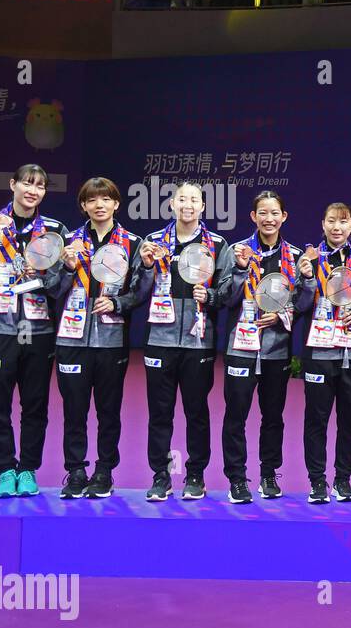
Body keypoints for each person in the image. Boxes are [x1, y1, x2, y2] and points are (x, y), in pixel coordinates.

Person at [133, 182, 232, 502]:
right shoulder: (153, 243)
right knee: (160, 412)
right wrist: (147, 266)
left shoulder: (218, 245)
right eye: (182, 199)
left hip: (198, 341)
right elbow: (137, 288)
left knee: (196, 411)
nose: (188, 205)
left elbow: (229, 291)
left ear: (203, 207)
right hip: (160, 339)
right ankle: (160, 475)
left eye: (194, 200)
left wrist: (212, 295)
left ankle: (195, 475)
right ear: (172, 205)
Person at [0, 164, 69, 498]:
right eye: (27, 183)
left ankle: (28, 469)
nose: (33, 190)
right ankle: (4, 470)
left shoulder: (55, 231)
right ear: (13, 185)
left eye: (40, 186)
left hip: (36, 329)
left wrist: (40, 276)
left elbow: (60, 286)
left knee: (35, 404)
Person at [53, 177, 146, 499]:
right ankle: (76, 471)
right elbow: (52, 289)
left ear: (116, 204)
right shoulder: (68, 241)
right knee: (74, 409)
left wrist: (118, 303)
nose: (99, 205)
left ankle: (104, 470)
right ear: (83, 206)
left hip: (111, 341)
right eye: (92, 200)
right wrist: (66, 267)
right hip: (71, 339)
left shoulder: (132, 242)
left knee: (109, 410)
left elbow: (140, 290)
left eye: (106, 199)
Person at [295, 202, 351, 503]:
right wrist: (308, 278)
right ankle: (317, 481)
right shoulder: (309, 259)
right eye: (332, 221)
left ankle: (343, 479)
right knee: (316, 419)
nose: (337, 227)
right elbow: (299, 305)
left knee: (349, 420)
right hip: (318, 353)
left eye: (343, 221)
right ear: (322, 224)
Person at [218, 190, 304, 503]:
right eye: (262, 213)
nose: (269, 219)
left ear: (284, 217)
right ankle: (237, 479)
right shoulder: (236, 250)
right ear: (253, 217)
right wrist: (241, 269)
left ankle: (269, 473)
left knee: (273, 416)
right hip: (241, 346)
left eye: (274, 213)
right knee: (235, 415)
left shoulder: (293, 257)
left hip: (276, 350)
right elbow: (224, 298)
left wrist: (282, 312)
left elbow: (303, 302)